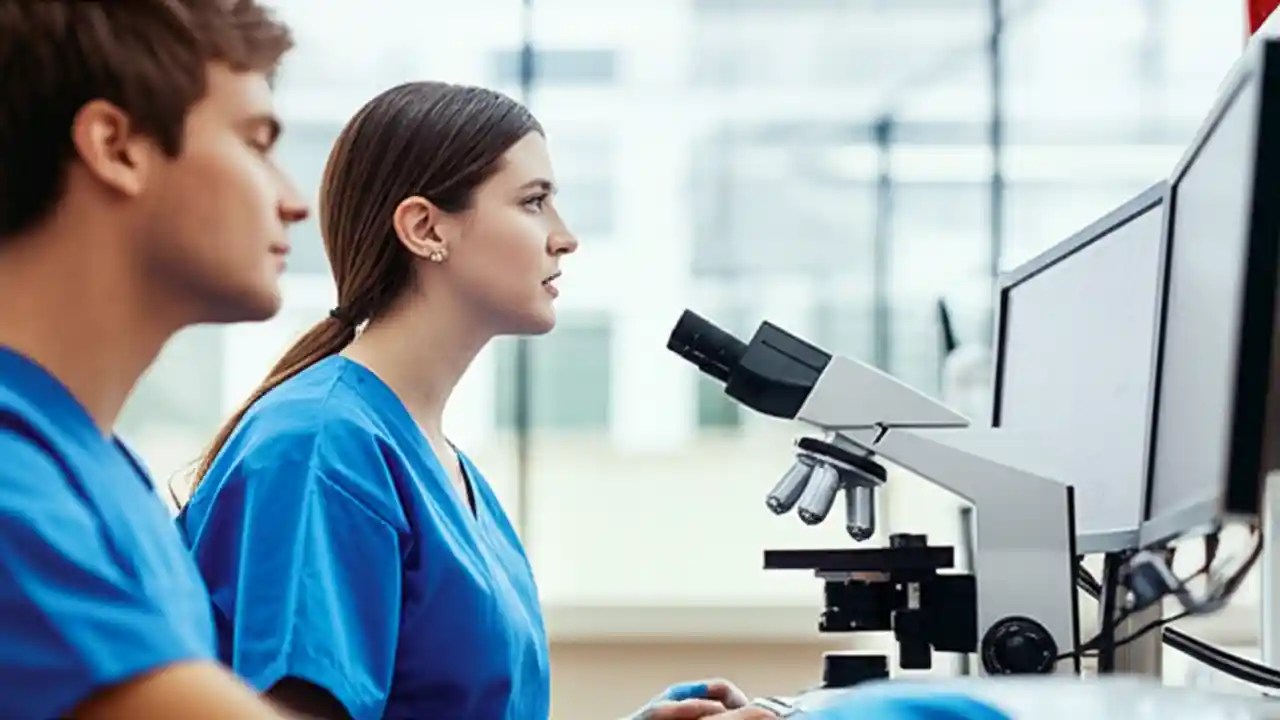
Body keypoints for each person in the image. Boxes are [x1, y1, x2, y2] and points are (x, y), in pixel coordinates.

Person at [177, 80, 776, 720]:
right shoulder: (322, 447)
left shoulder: (446, 468)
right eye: (533, 202)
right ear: (425, 226)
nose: (565, 237)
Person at [0, 1, 315, 718]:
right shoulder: (14, 486)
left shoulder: (104, 468)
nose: (294, 201)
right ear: (117, 146)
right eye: (256, 142)